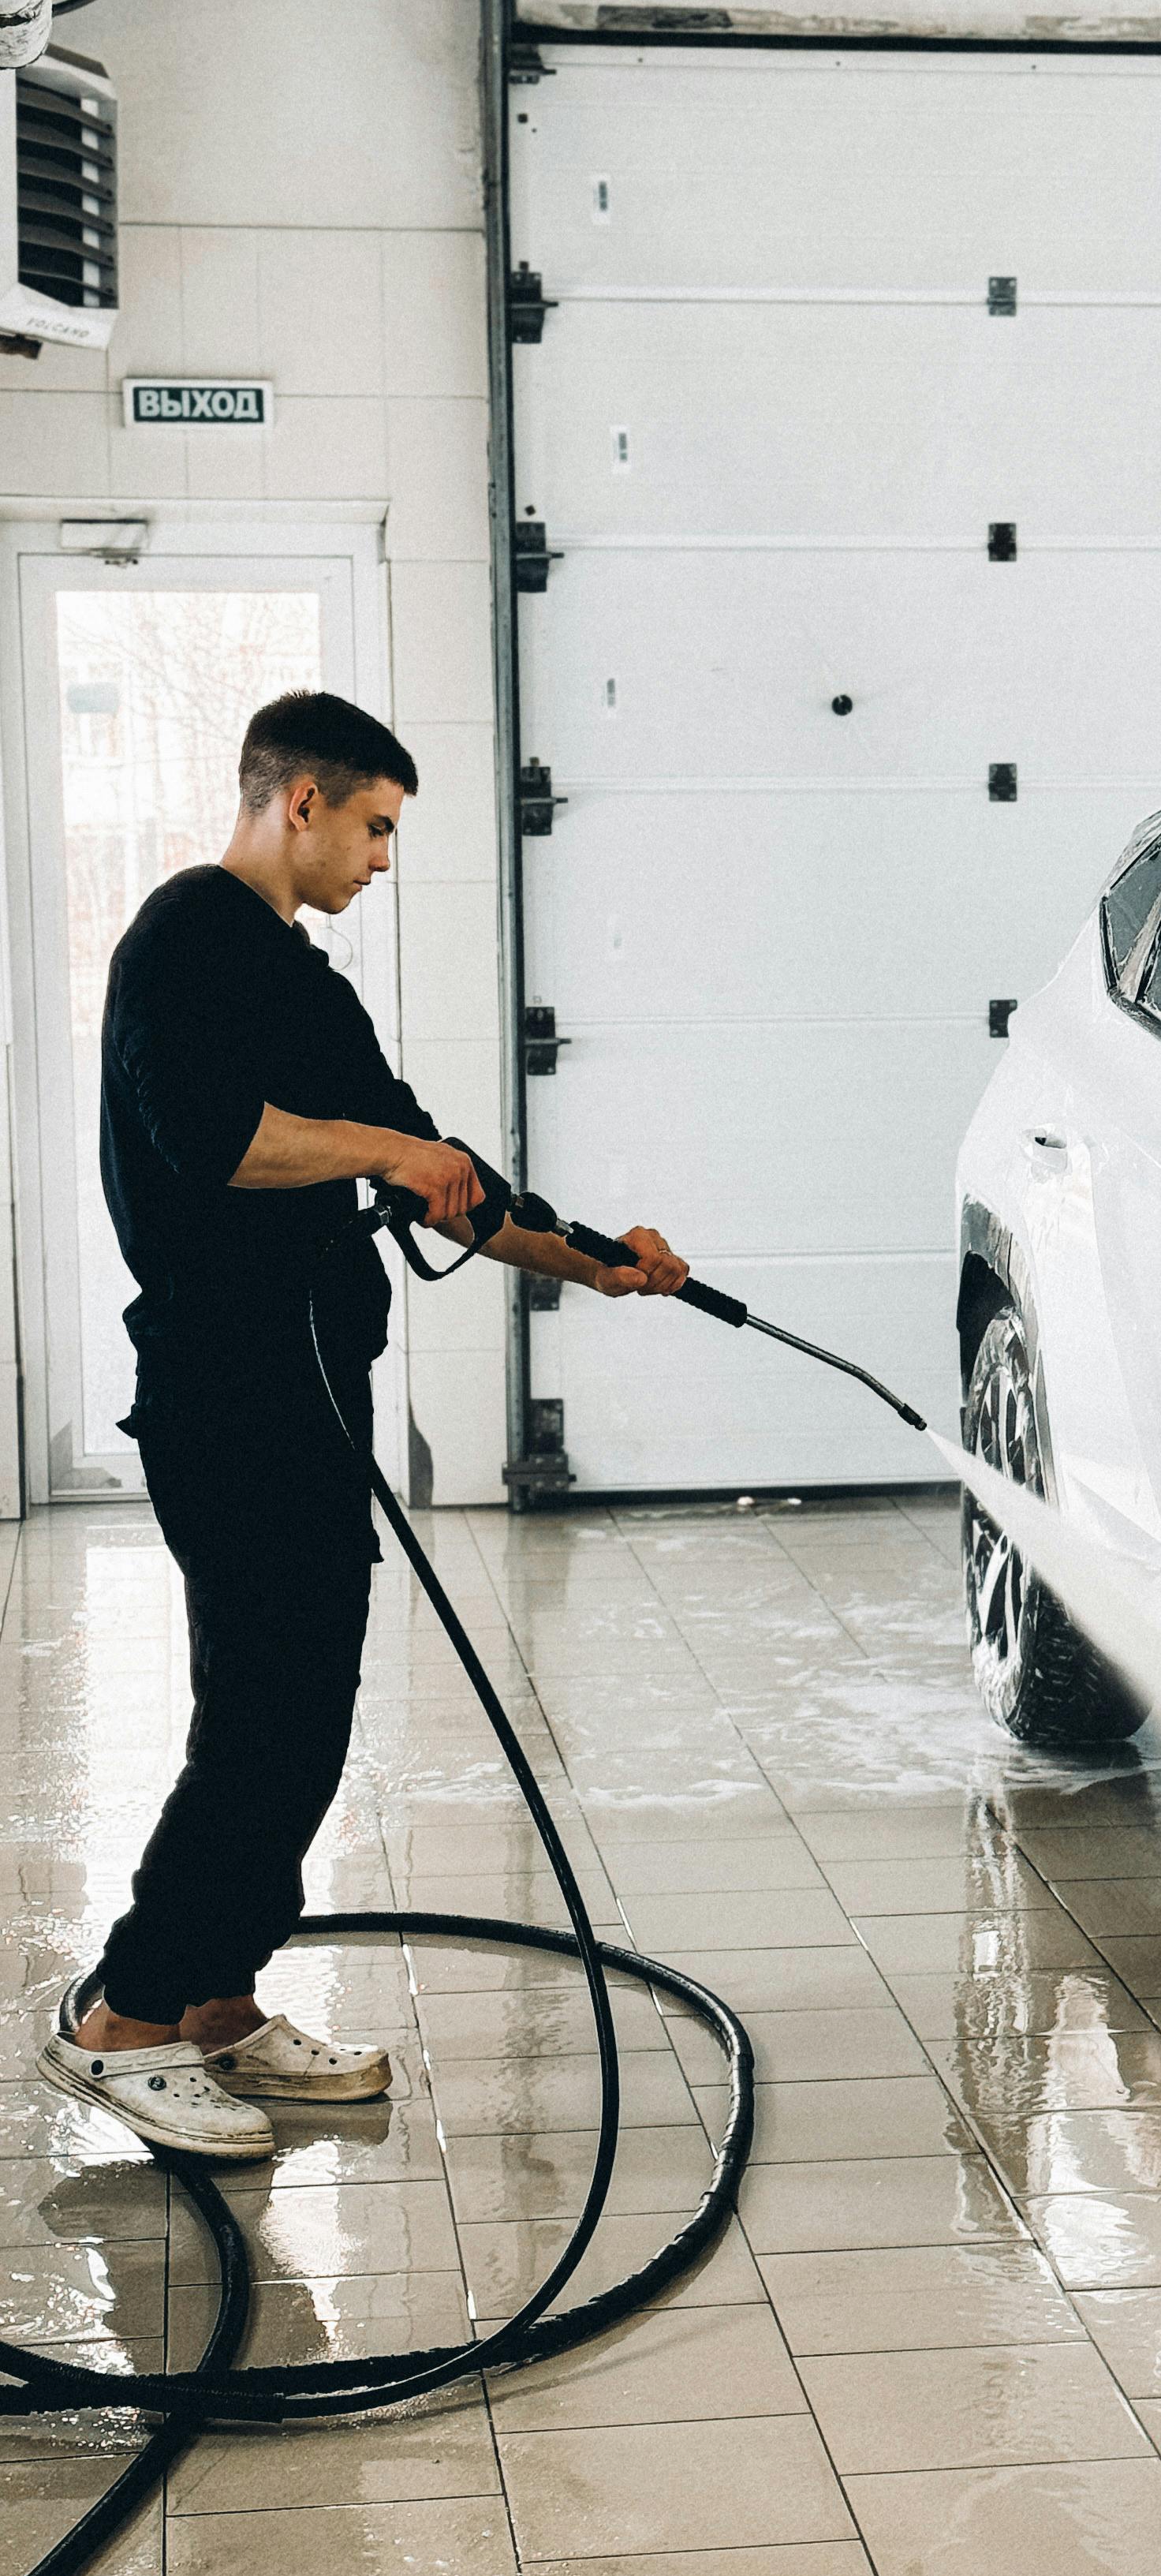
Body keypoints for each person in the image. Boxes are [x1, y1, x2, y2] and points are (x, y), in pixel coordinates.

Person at [39, 690, 688, 2160]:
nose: (384, 858)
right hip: (227, 1395)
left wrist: (599, 1260)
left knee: (297, 1711)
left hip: (307, 1396)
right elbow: (214, 1138)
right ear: (302, 802)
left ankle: (218, 2001)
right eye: (377, 827)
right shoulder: (183, 937)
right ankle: (124, 2021)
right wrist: (393, 1148)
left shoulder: (301, 982)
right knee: (268, 1720)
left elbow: (435, 1173)